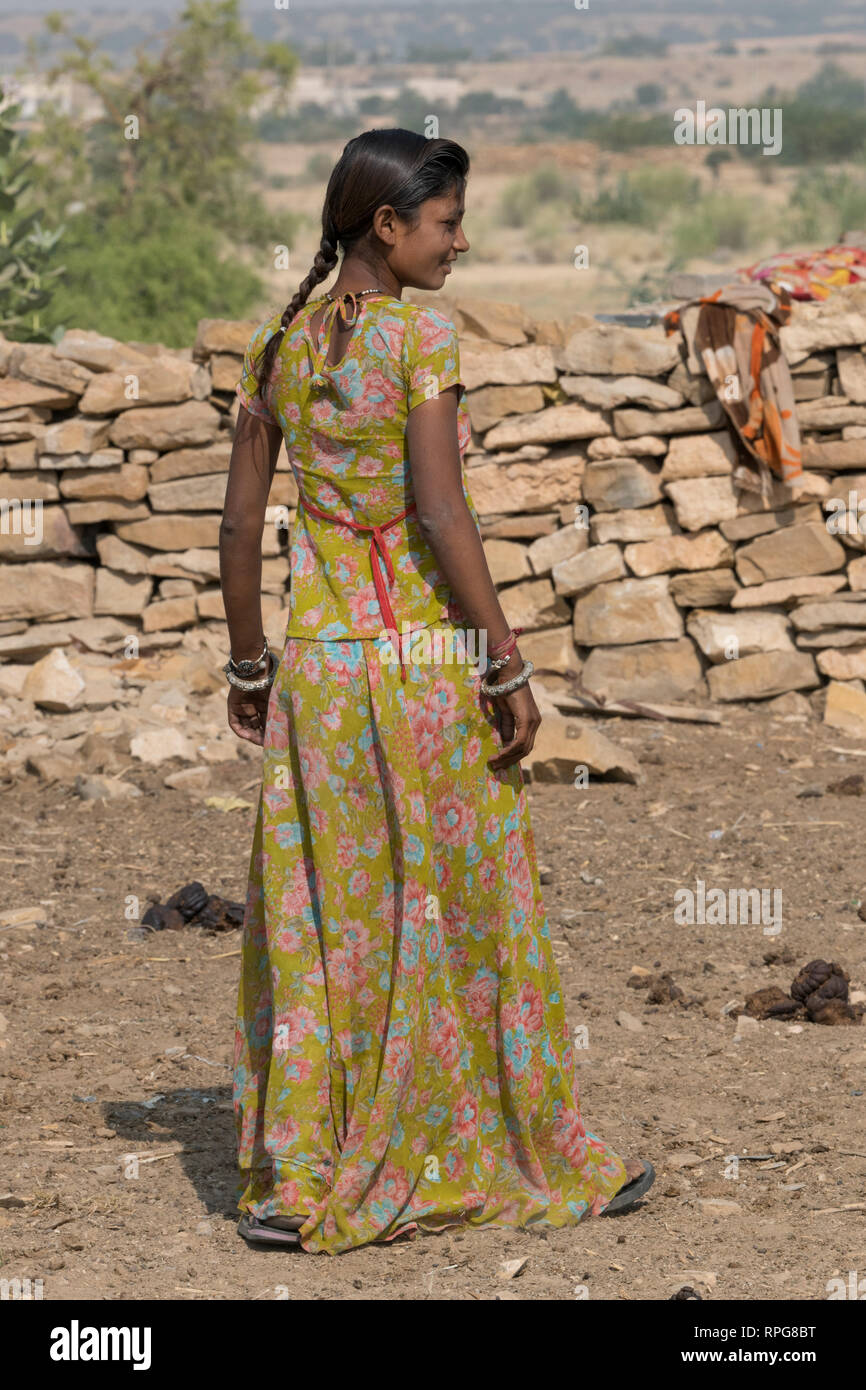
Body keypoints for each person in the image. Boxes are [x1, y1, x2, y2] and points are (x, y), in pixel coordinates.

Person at [219, 128, 654, 1255]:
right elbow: (438, 511)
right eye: (448, 222)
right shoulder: (419, 332)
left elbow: (234, 524)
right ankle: (499, 1146)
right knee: (464, 902)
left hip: (316, 671)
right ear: (386, 225)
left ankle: (294, 1173)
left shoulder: (281, 341)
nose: (462, 241)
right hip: (415, 669)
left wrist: (248, 663)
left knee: (329, 917)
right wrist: (504, 659)